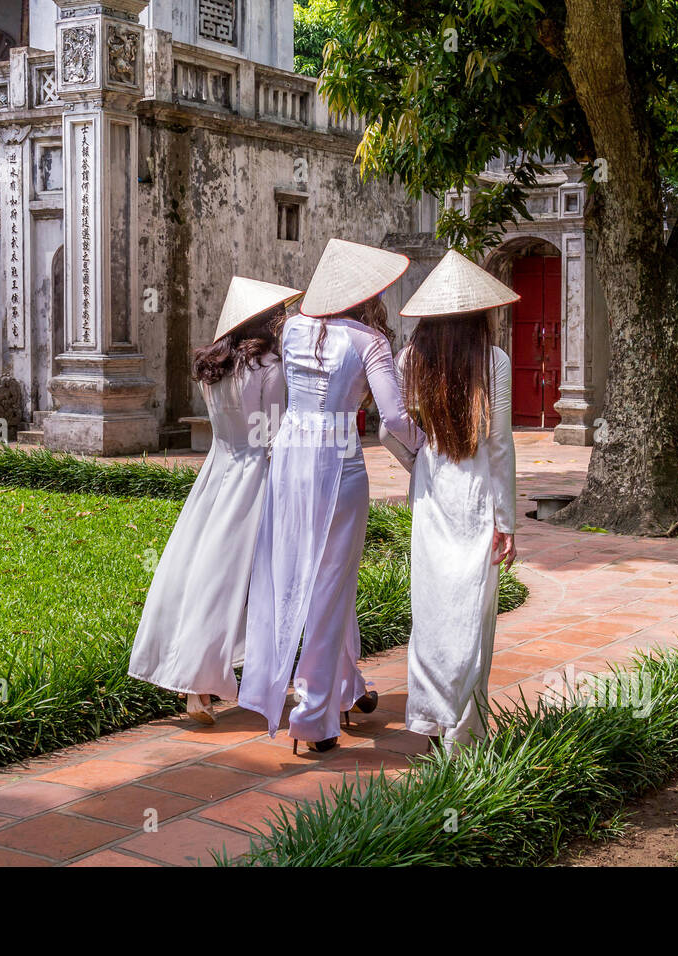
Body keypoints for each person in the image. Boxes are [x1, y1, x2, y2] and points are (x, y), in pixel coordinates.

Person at [239, 238, 423, 753]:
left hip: (290, 457)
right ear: (365, 293)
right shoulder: (370, 341)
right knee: (329, 586)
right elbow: (394, 418)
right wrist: (428, 449)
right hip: (338, 459)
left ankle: (346, 686)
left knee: (302, 574)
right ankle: (314, 715)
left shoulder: (292, 327)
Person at [128, 277, 301, 724]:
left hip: (216, 472)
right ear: (267, 321)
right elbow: (272, 435)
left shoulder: (215, 366)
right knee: (256, 581)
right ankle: (223, 682)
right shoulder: (269, 367)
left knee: (205, 571)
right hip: (257, 475)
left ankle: (205, 683)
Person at [385, 249, 518, 753]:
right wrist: (507, 520)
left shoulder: (411, 358)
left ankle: (430, 721)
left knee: (432, 606)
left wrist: (418, 461)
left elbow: (390, 430)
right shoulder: (495, 361)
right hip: (478, 493)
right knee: (474, 613)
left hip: (432, 490)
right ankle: (464, 731)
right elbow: (501, 446)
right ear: (479, 310)